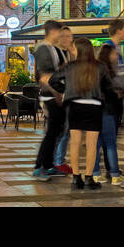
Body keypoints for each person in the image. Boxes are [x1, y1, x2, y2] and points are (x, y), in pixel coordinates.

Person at [53, 38, 118, 192]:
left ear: (80, 50)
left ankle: (76, 178)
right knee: (92, 144)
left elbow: (53, 80)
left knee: (75, 142)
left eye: (74, 48)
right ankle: (89, 178)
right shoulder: (100, 66)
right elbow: (109, 87)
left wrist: (67, 91)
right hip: (94, 107)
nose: (72, 50)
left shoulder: (70, 66)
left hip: (75, 106)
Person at [30, 21, 69, 180]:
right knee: (52, 132)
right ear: (53, 31)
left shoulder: (55, 49)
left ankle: (48, 164)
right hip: (51, 96)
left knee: (57, 131)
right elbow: (45, 77)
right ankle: (40, 167)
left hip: (57, 95)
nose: (61, 35)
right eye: (60, 32)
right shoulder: (43, 49)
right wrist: (58, 95)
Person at [94, 19, 124, 182]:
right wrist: (123, 88)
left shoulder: (113, 50)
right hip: (110, 102)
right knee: (108, 140)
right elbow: (112, 78)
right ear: (118, 30)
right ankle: (112, 172)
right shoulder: (109, 49)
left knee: (105, 139)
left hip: (112, 102)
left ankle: (106, 170)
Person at [51, 26, 77, 175]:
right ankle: (57, 161)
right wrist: (64, 90)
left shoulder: (68, 53)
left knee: (66, 131)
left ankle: (59, 160)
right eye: (65, 36)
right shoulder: (57, 54)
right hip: (58, 99)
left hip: (68, 99)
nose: (68, 39)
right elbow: (53, 78)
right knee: (62, 131)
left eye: (69, 36)